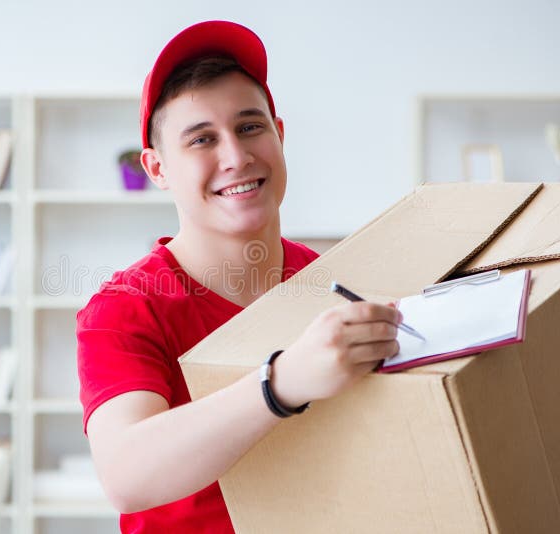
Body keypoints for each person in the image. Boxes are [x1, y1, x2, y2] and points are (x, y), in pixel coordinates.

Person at [77, 20, 402, 533]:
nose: (236, 156)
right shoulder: (126, 306)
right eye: (202, 139)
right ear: (157, 169)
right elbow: (125, 474)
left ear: (280, 134)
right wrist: (282, 383)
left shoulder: (333, 282)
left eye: (250, 127)